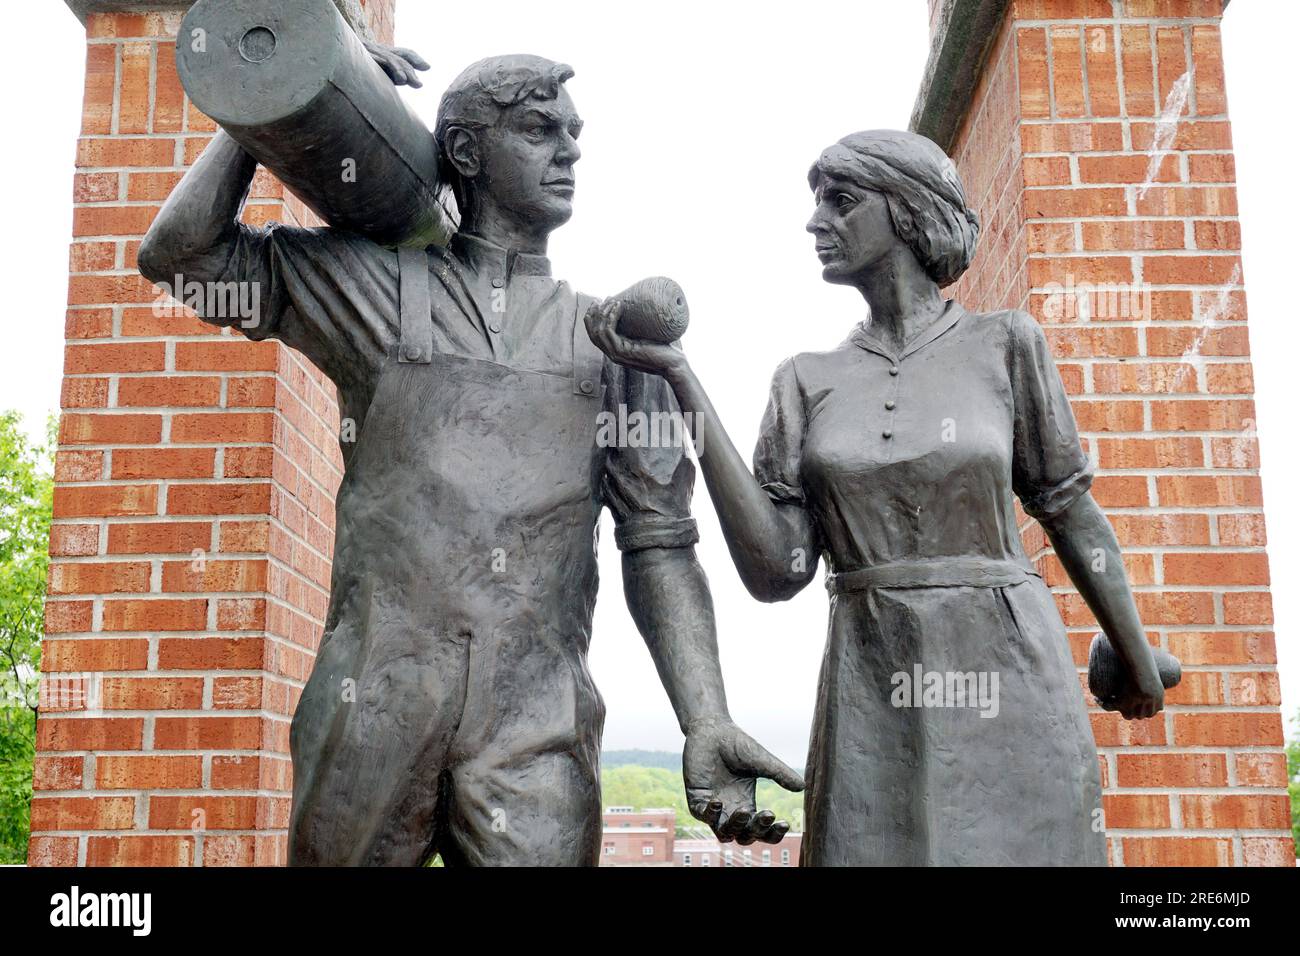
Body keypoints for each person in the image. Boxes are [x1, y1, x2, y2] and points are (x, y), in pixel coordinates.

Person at [138, 47, 801, 866]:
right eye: (538, 129)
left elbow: (660, 543)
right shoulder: (374, 292)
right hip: (370, 708)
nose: (569, 150)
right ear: (464, 152)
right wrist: (273, 99)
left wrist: (706, 720)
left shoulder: (617, 342)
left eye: (574, 133)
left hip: (538, 728)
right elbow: (183, 259)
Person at [585, 129, 1165, 866]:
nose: (815, 221)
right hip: (870, 675)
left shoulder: (1006, 345)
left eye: (841, 201)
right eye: (817, 202)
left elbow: (1071, 511)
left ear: (907, 210)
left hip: (1011, 673)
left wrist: (1137, 662)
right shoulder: (804, 379)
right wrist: (680, 378)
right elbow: (778, 571)